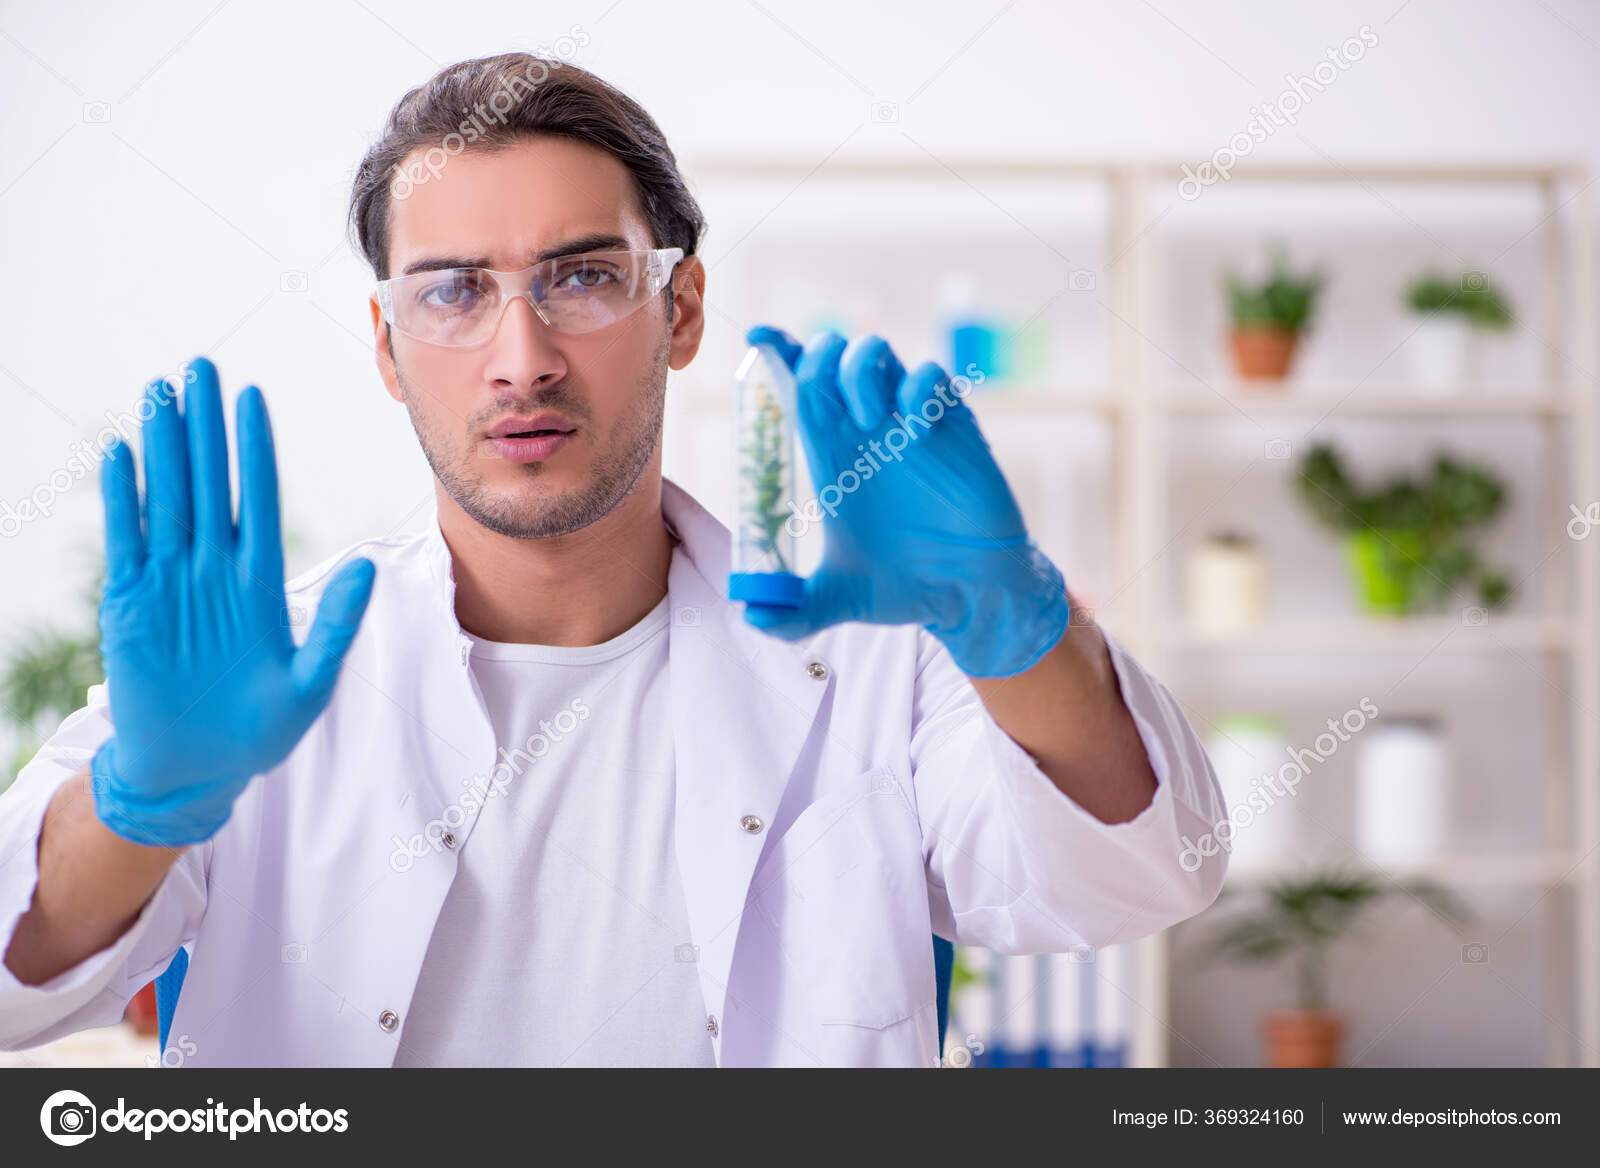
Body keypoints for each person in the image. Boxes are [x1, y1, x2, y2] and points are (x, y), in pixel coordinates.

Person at [0, 53, 1226, 1067]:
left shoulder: (876, 669)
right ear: (385, 343)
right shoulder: (254, 678)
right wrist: (143, 804)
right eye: (453, 293)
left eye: (582, 277)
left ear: (679, 310)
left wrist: (1014, 626)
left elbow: (1140, 878)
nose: (520, 355)